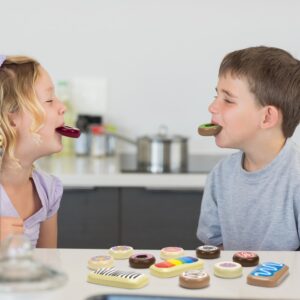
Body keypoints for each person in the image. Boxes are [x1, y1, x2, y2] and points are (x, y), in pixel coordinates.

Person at [196, 46, 300, 250]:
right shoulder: (221, 175)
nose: (212, 107)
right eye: (216, 96)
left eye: (227, 100)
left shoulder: (296, 177)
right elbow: (216, 248)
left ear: (267, 117)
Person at [0, 55, 66, 248]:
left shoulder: (47, 191)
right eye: (49, 100)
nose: (63, 107)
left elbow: (48, 266)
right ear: (12, 119)